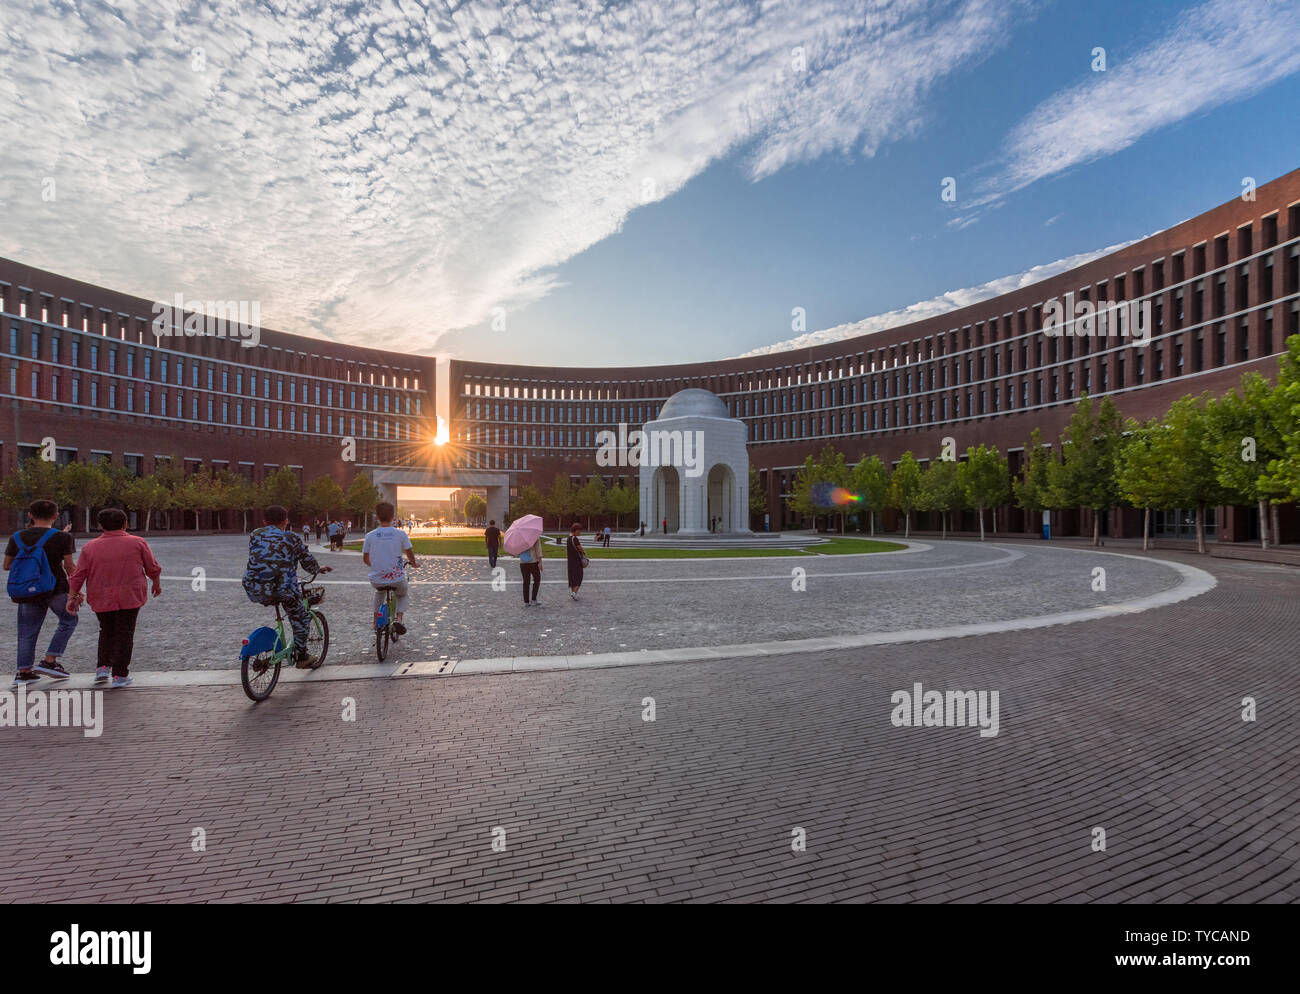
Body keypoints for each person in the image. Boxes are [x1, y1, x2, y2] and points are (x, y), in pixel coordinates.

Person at [67, 507, 162, 688]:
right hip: (130, 595)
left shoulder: (89, 547)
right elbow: (152, 567)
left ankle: (102, 668)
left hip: (101, 595)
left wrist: (72, 597)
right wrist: (156, 583)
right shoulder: (138, 543)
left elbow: (79, 575)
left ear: (100, 526)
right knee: (125, 633)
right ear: (125, 523)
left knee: (106, 630)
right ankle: (120, 674)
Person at [242, 505, 332, 668]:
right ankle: (302, 657)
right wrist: (318, 569)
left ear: (264, 522)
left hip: (254, 587)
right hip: (284, 589)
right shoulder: (291, 537)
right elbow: (306, 560)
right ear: (286, 521)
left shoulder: (255, 535)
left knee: (285, 604)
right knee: (301, 619)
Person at [5, 499, 79, 685]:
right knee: (69, 619)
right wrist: (76, 590)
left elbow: (6, 565)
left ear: (30, 515)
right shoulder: (63, 537)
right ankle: (50, 660)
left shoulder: (17, 537)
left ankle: (24, 672)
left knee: (27, 630)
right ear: (56, 516)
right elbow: (70, 567)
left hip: (28, 591)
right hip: (56, 588)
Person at [363, 501, 418, 636]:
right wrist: (414, 563)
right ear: (393, 516)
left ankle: (375, 622)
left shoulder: (370, 536)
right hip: (396, 578)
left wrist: (376, 565)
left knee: (379, 593)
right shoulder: (400, 534)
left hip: (377, 578)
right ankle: (399, 619)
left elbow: (365, 558)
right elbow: (409, 553)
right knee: (402, 594)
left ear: (377, 517)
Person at [518, 533, 543, 607]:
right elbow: (538, 550)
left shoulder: (519, 538)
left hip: (523, 562)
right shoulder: (535, 536)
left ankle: (526, 601)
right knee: (537, 579)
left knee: (526, 582)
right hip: (533, 562)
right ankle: (533, 599)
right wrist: (540, 562)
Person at [566, 523, 587, 600]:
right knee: (579, 577)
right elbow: (580, 548)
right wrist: (584, 553)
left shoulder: (568, 538)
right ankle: (574, 592)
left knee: (572, 577)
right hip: (577, 561)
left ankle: (573, 593)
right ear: (576, 530)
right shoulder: (575, 539)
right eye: (579, 531)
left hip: (570, 562)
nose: (580, 532)